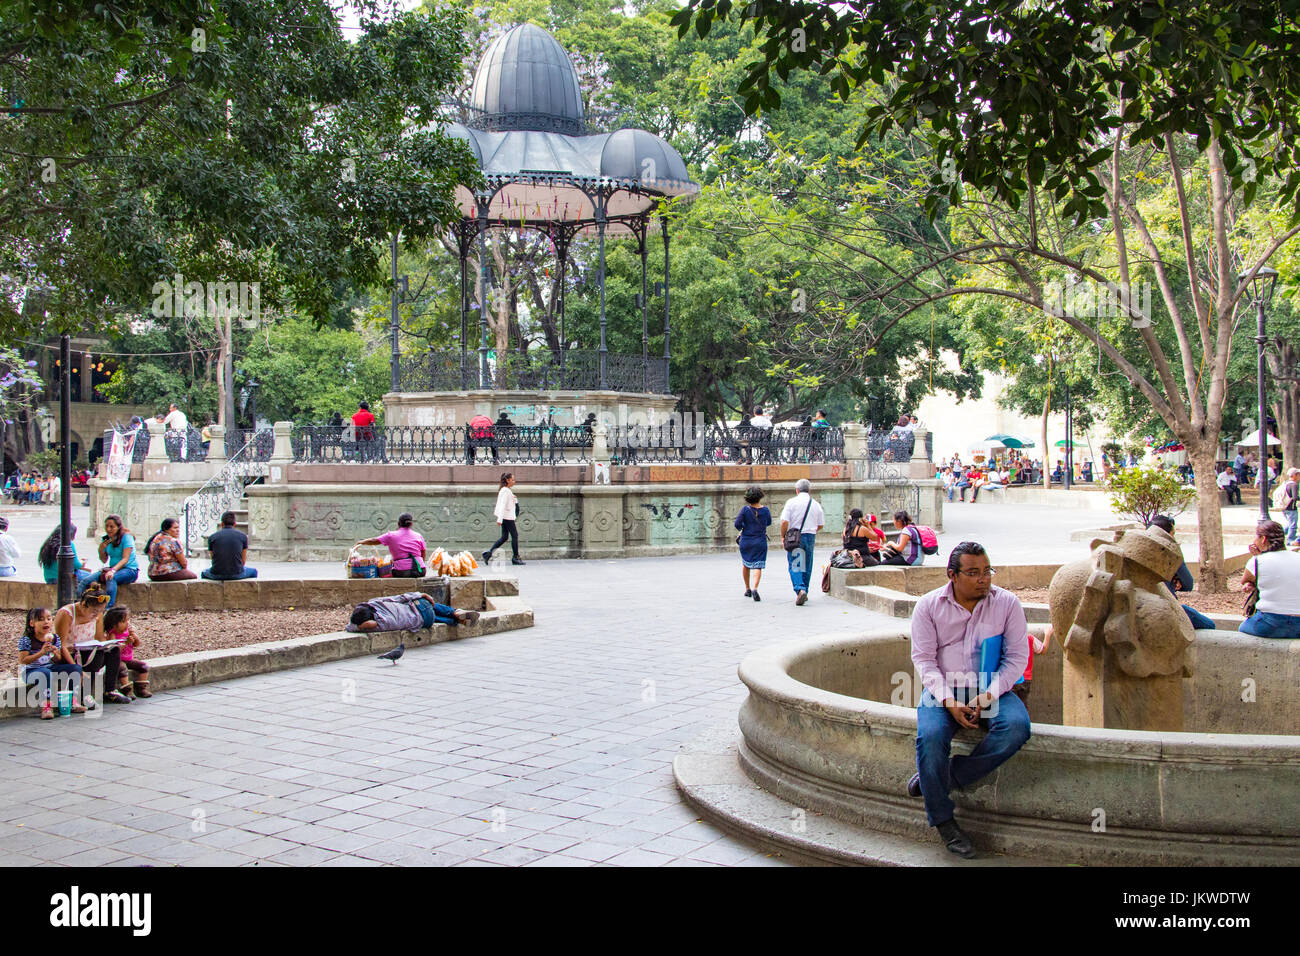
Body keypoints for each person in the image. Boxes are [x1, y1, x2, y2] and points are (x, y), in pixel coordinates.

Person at [906, 541, 1031, 859]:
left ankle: (943, 777)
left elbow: (1016, 658)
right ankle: (945, 822)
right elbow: (923, 660)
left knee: (1017, 727)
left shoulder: (1007, 604)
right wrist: (949, 701)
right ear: (952, 575)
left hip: (993, 689)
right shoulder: (929, 606)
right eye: (974, 573)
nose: (984, 579)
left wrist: (989, 694)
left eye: (987, 571)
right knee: (931, 738)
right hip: (943, 689)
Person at [53, 582, 129, 705]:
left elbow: (99, 638)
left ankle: (110, 690)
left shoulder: (97, 616)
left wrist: (110, 644)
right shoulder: (66, 614)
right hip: (69, 654)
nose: (97, 614)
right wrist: (76, 669)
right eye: (94, 611)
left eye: (100, 611)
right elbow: (60, 644)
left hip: (89, 651)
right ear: (83, 605)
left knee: (112, 651)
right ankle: (85, 694)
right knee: (97, 654)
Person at [1147, 515, 1215, 631]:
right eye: (1173, 534)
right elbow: (1188, 584)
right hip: (1167, 609)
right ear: (1168, 535)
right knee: (1209, 625)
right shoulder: (1170, 553)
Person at [19, 607, 87, 718]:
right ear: (32, 623)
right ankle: (47, 707)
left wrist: (55, 653)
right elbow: (23, 660)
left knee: (76, 669)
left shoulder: (55, 638)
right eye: (41, 619)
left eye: (49, 619)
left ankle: (73, 702)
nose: (46, 622)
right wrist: (41, 652)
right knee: (45, 673)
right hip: (30, 671)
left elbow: (58, 659)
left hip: (49, 668)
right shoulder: (26, 640)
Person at [1240, 520, 1300, 638]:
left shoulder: (1257, 561)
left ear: (1263, 539)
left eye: (1256, 537)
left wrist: (1258, 556)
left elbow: (1246, 580)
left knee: (1243, 628)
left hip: (1270, 624)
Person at [779, 479, 824, 606]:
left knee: (796, 564)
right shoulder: (815, 504)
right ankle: (805, 590)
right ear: (809, 490)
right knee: (807, 565)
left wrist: (783, 536)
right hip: (810, 536)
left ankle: (800, 589)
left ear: (797, 490)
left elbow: (784, 522)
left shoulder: (791, 502)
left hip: (795, 536)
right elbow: (820, 525)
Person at [345, 592, 480, 632]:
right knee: (426, 605)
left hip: (425, 622)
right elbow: (400, 597)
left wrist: (361, 625)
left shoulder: (381, 625)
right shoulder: (375, 603)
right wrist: (420, 594)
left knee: (425, 618)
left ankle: (456, 620)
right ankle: (456, 612)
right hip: (421, 607)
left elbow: (350, 627)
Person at [357, 512, 428, 578]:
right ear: (411, 524)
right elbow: (423, 554)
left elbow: (374, 540)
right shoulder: (418, 536)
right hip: (421, 571)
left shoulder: (391, 535)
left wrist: (361, 542)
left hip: (402, 572)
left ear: (398, 523)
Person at [102, 606, 151, 699]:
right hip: (118, 660)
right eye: (124, 621)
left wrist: (134, 636)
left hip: (129, 658)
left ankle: (141, 688)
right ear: (114, 624)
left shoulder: (128, 632)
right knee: (122, 669)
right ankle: (127, 690)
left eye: (128, 620)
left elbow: (137, 644)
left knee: (143, 666)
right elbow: (114, 651)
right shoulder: (113, 634)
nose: (127, 623)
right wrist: (126, 643)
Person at [734, 485, 772, 601]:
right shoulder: (765, 510)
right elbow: (769, 522)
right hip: (760, 541)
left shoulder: (745, 510)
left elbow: (737, 524)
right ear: (760, 497)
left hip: (746, 540)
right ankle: (755, 588)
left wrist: (743, 528)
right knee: (758, 566)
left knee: (746, 564)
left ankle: (747, 589)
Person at [95, 514, 139, 607]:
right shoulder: (107, 539)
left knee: (111, 578)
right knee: (86, 581)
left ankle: (108, 607)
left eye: (112, 527)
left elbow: (125, 559)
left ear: (118, 527)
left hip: (129, 570)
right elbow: (104, 560)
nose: (109, 529)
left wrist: (113, 571)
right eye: (107, 526)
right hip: (112, 569)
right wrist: (101, 549)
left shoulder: (126, 537)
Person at [38, 523, 94, 591]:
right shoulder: (68, 543)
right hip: (63, 579)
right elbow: (76, 565)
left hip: (49, 578)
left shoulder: (48, 543)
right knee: (91, 577)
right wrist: (82, 562)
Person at [483, 472, 524, 566]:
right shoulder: (505, 491)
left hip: (506, 517)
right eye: (512, 480)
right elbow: (502, 505)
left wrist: (514, 499)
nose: (514, 481)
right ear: (507, 480)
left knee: (504, 537)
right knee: (515, 536)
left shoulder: (506, 490)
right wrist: (499, 519)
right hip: (507, 517)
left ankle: (488, 554)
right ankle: (515, 557)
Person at [202, 511, 257, 580]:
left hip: (217, 573)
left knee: (204, 573)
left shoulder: (212, 537)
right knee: (254, 571)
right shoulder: (243, 537)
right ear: (234, 524)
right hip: (237, 573)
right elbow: (243, 561)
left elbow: (213, 558)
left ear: (222, 524)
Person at [145, 517, 198, 582]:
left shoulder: (155, 538)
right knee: (193, 576)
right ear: (167, 529)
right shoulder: (173, 541)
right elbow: (184, 563)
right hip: (167, 573)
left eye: (178, 528)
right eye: (175, 528)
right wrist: (183, 571)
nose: (178, 530)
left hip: (152, 574)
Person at [1280, 468, 1299, 546]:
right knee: (1293, 524)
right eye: (1298, 475)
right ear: (1294, 475)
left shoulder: (1286, 483)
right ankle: (1290, 540)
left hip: (1284, 507)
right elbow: (1294, 497)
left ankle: (1280, 535)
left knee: (1289, 523)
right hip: (1291, 507)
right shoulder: (1294, 484)